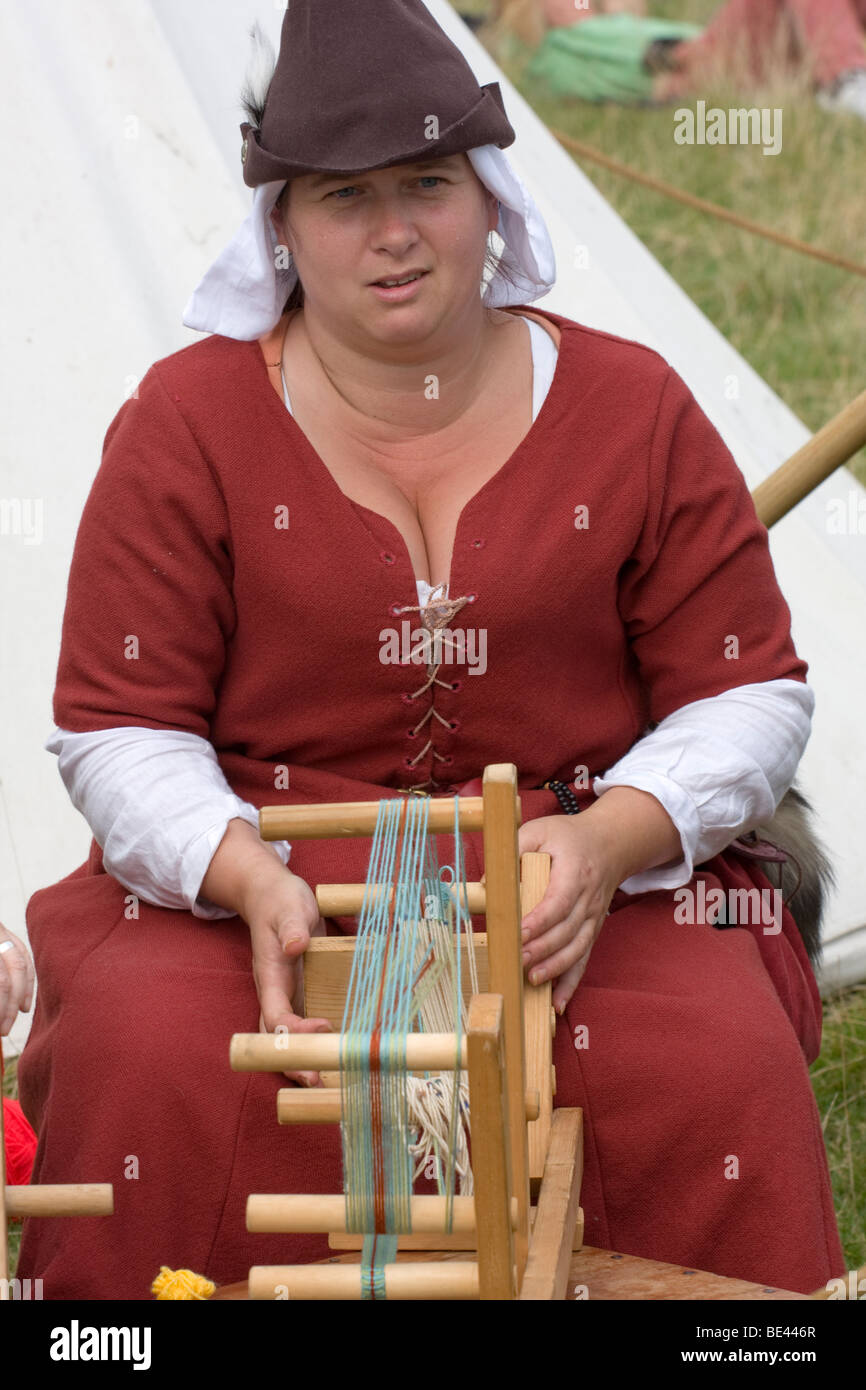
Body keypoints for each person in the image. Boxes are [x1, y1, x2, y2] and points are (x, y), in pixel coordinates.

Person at [14, 0, 844, 1300]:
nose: (394, 230)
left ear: (490, 196)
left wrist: (614, 836)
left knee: (704, 1061)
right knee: (152, 1054)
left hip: (572, 869)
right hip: (257, 872)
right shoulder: (186, 425)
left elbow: (744, 689)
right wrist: (238, 873)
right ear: (280, 222)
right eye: (344, 194)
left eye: (426, 182)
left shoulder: (630, 406)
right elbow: (120, 724)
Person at [650, 0, 866, 121]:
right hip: (711, 100)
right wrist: (845, 78)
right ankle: (845, 82)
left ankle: (845, 83)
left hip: (788, 98)